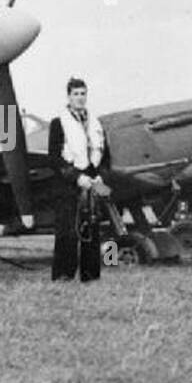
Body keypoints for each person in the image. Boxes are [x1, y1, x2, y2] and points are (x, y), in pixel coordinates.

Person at [47, 77, 111, 281]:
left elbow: (106, 156)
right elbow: (54, 158)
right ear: (68, 97)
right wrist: (76, 177)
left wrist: (101, 176)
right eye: (76, 94)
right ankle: (63, 276)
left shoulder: (96, 124)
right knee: (67, 231)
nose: (80, 98)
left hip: (93, 183)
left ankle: (91, 276)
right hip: (68, 185)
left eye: (83, 93)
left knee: (91, 230)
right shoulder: (58, 123)